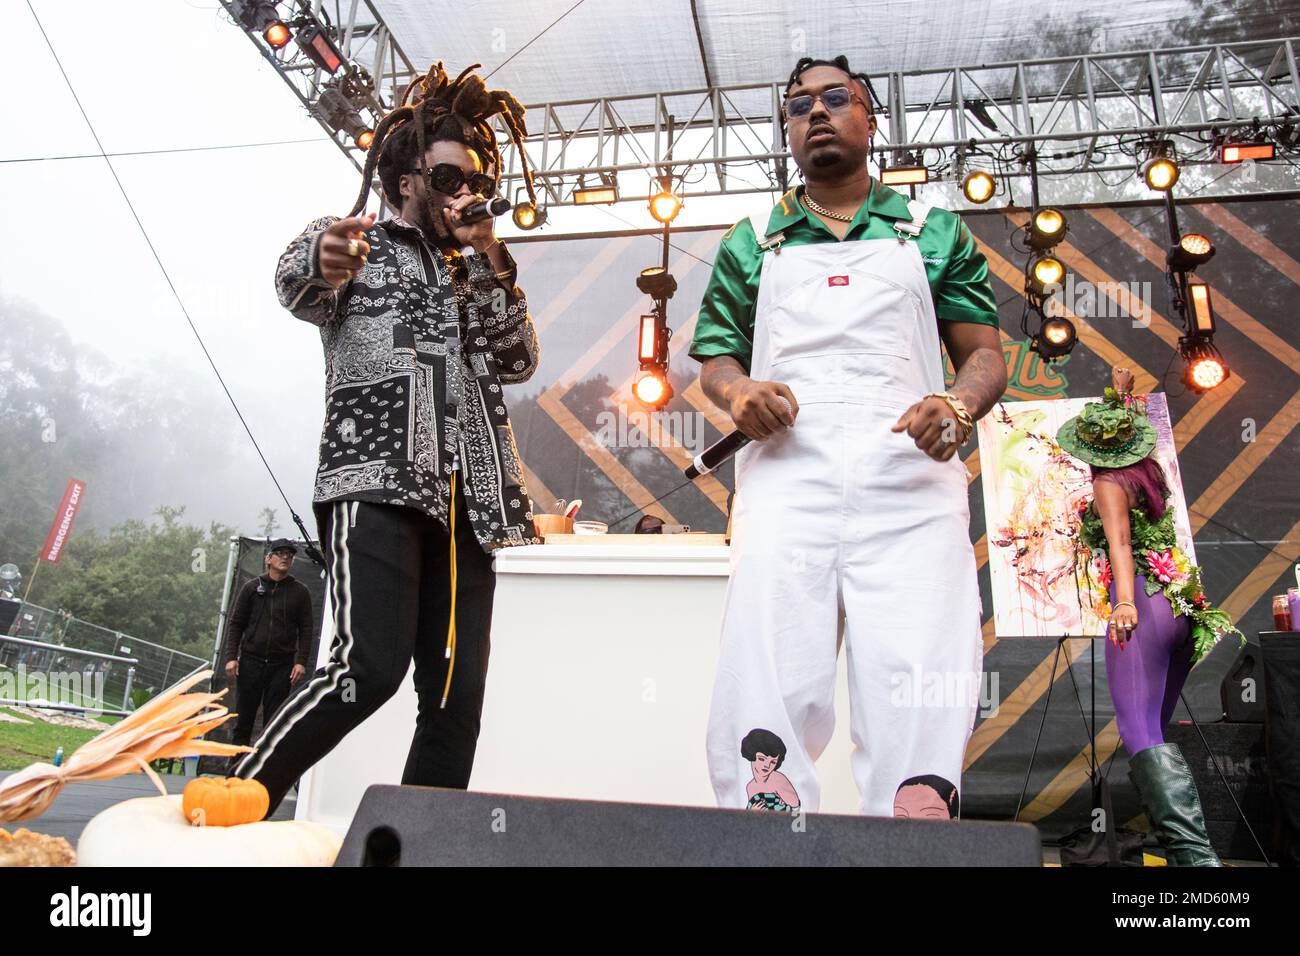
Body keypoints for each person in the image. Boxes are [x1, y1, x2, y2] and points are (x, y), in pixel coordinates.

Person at [691, 55, 1007, 816]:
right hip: (788, 484)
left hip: (909, 483)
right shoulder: (751, 240)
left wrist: (957, 407)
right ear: (788, 132)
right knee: (770, 662)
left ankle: (914, 827)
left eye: (836, 98)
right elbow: (715, 358)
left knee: (918, 665)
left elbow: (986, 355)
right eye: (799, 106)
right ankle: (768, 833)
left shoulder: (933, 233)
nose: (817, 113)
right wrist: (738, 393)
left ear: (870, 116)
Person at [232, 62, 541, 816]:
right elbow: (296, 279)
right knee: (365, 668)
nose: (460, 194)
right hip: (376, 479)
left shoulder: (477, 269)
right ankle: (241, 795)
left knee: (455, 694)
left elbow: (520, 358)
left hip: (470, 501)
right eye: (444, 179)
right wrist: (323, 257)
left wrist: (492, 256)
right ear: (404, 177)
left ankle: (414, 850)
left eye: (470, 181)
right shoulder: (358, 240)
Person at [1060, 366, 1241, 866]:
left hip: (1141, 603)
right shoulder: (1147, 474)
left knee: (1139, 732)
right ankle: (1187, 855)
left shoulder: (1107, 486)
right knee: (1154, 731)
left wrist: (1122, 602)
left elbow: (1120, 543)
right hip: (1177, 606)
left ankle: (1197, 863)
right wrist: (1122, 397)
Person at [221, 540, 314, 749]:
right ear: (268, 559)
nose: (285, 558)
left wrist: (301, 662)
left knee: (273, 722)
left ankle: (264, 771)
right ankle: (236, 768)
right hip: (250, 662)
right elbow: (236, 624)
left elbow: (306, 629)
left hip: (281, 666)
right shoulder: (251, 588)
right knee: (243, 719)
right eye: (280, 554)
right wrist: (230, 658)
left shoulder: (300, 592)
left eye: (289, 555)